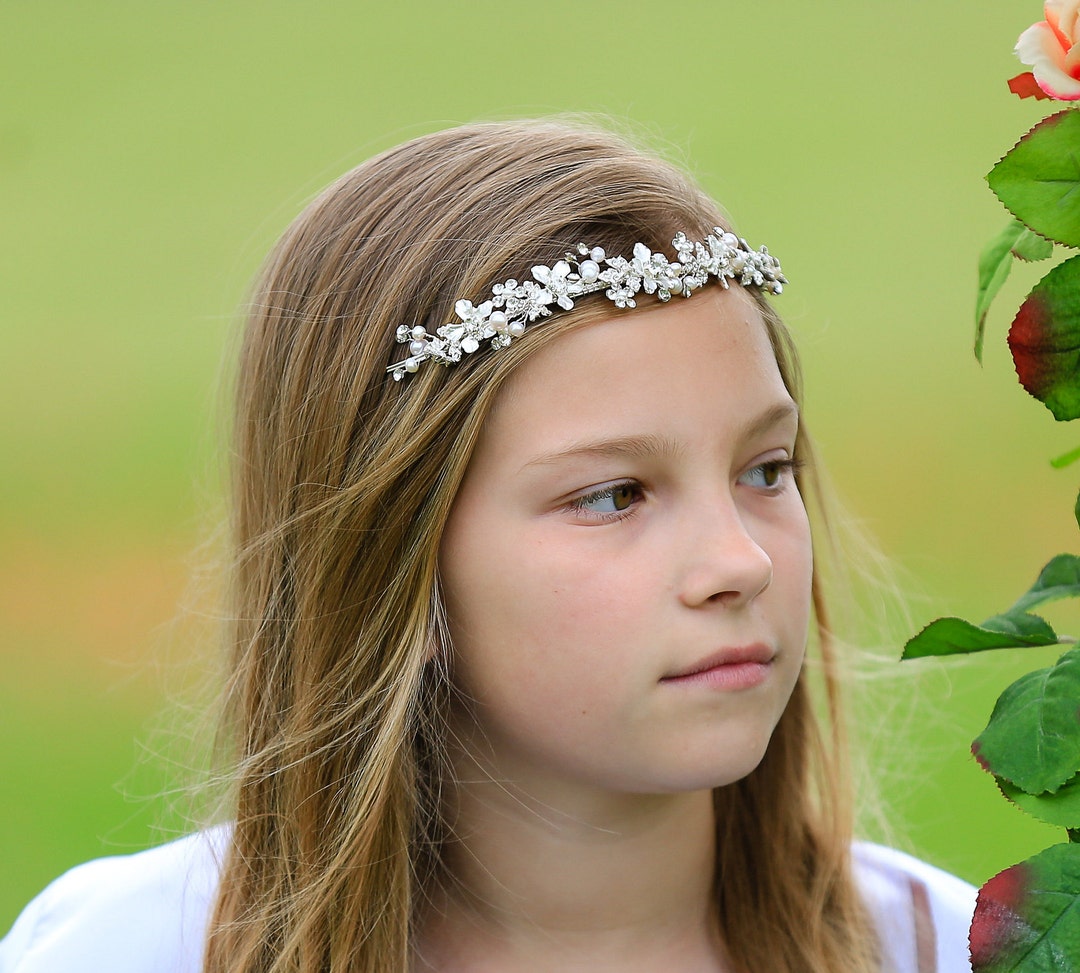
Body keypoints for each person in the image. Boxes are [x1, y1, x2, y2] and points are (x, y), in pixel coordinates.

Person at [0, 120, 976, 973]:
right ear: (389, 564)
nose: (741, 562)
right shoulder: (132, 953)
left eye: (765, 469)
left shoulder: (956, 950)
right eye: (614, 496)